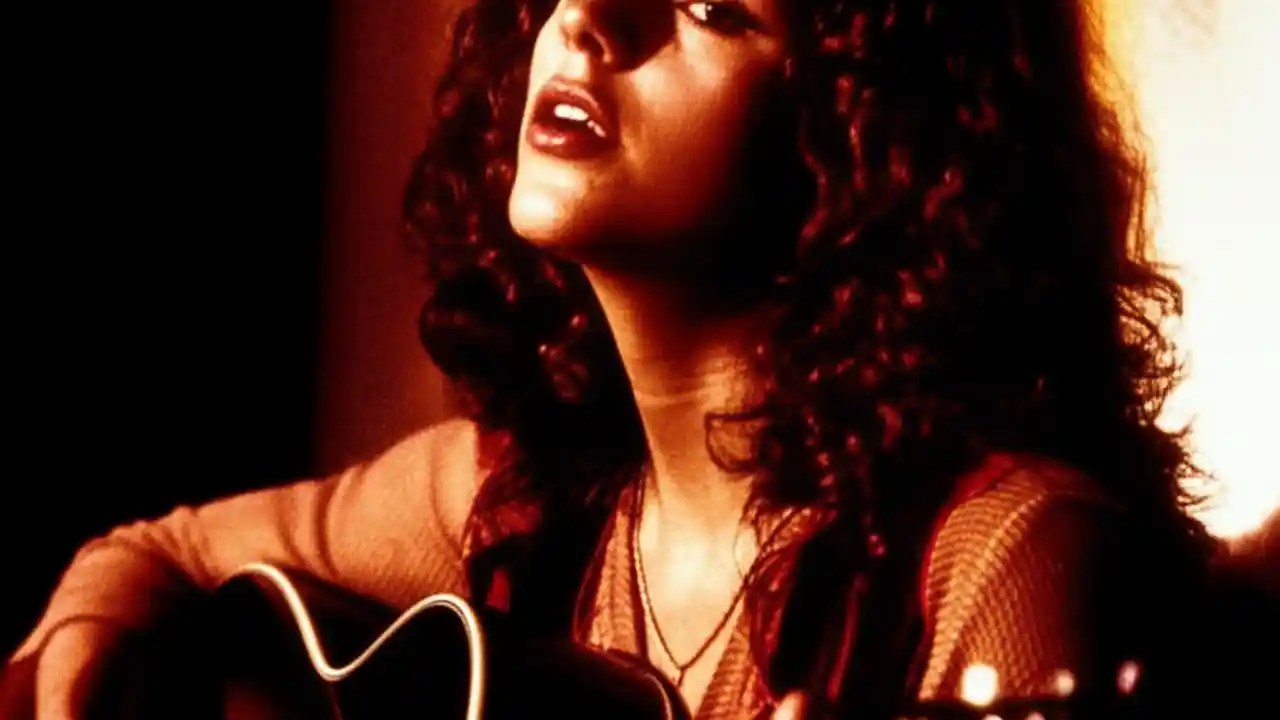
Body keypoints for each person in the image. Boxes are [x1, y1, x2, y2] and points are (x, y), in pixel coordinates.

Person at [3, 0, 1222, 717]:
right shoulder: (522, 509)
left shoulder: (1010, 557)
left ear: (868, 145)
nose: (590, 16)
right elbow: (146, 557)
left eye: (710, 7)